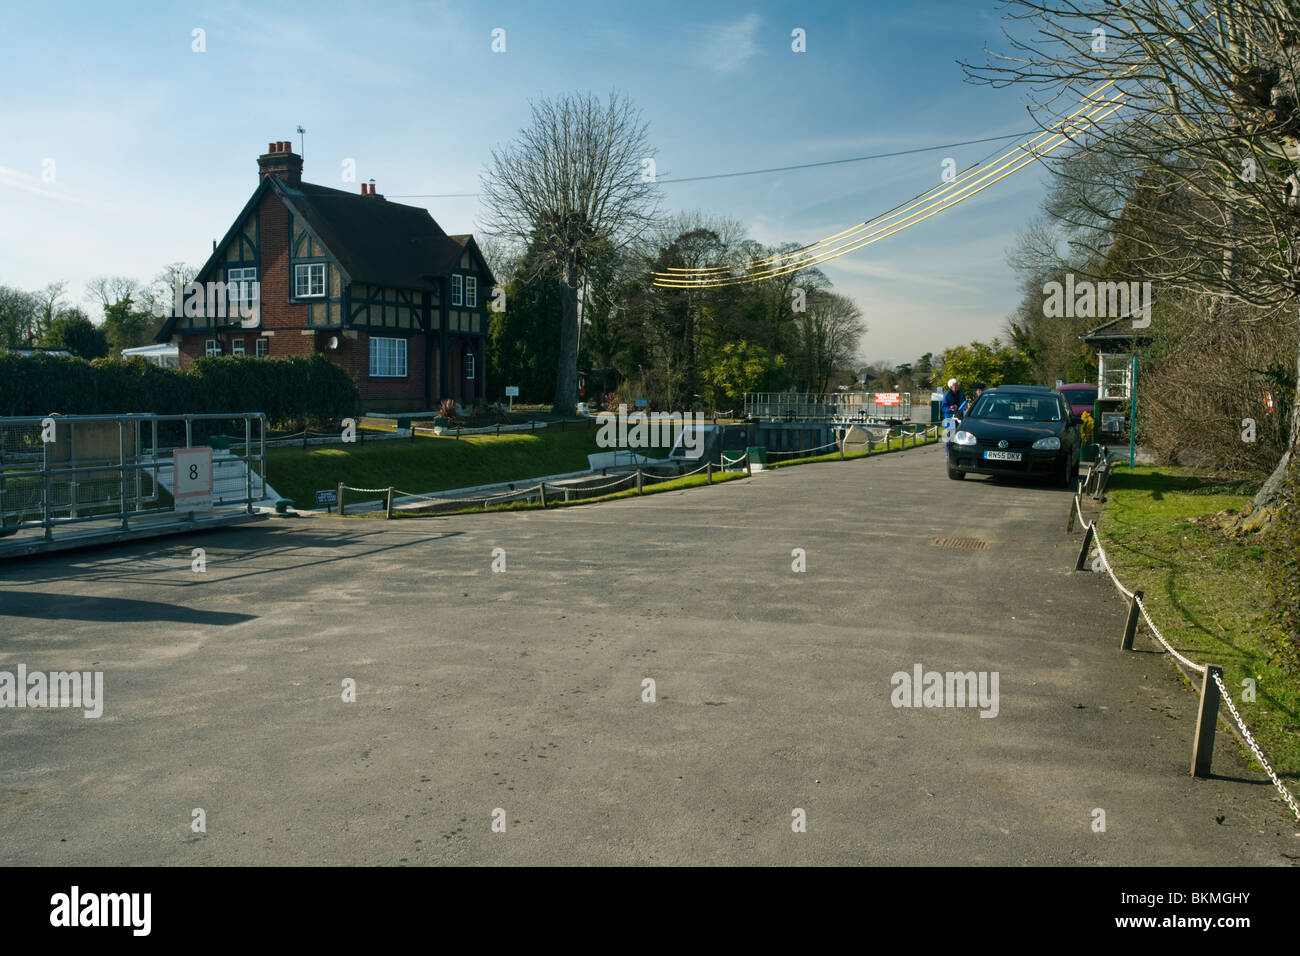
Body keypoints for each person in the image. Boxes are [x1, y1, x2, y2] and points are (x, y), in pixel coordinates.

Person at [941, 378, 966, 449]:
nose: (957, 387)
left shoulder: (961, 393)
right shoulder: (947, 395)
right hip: (950, 417)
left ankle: (958, 450)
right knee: (949, 435)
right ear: (951, 387)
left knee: (959, 434)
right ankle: (948, 451)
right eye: (955, 386)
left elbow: (963, 401)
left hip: (959, 416)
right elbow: (943, 407)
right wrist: (950, 408)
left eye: (957, 385)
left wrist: (963, 406)